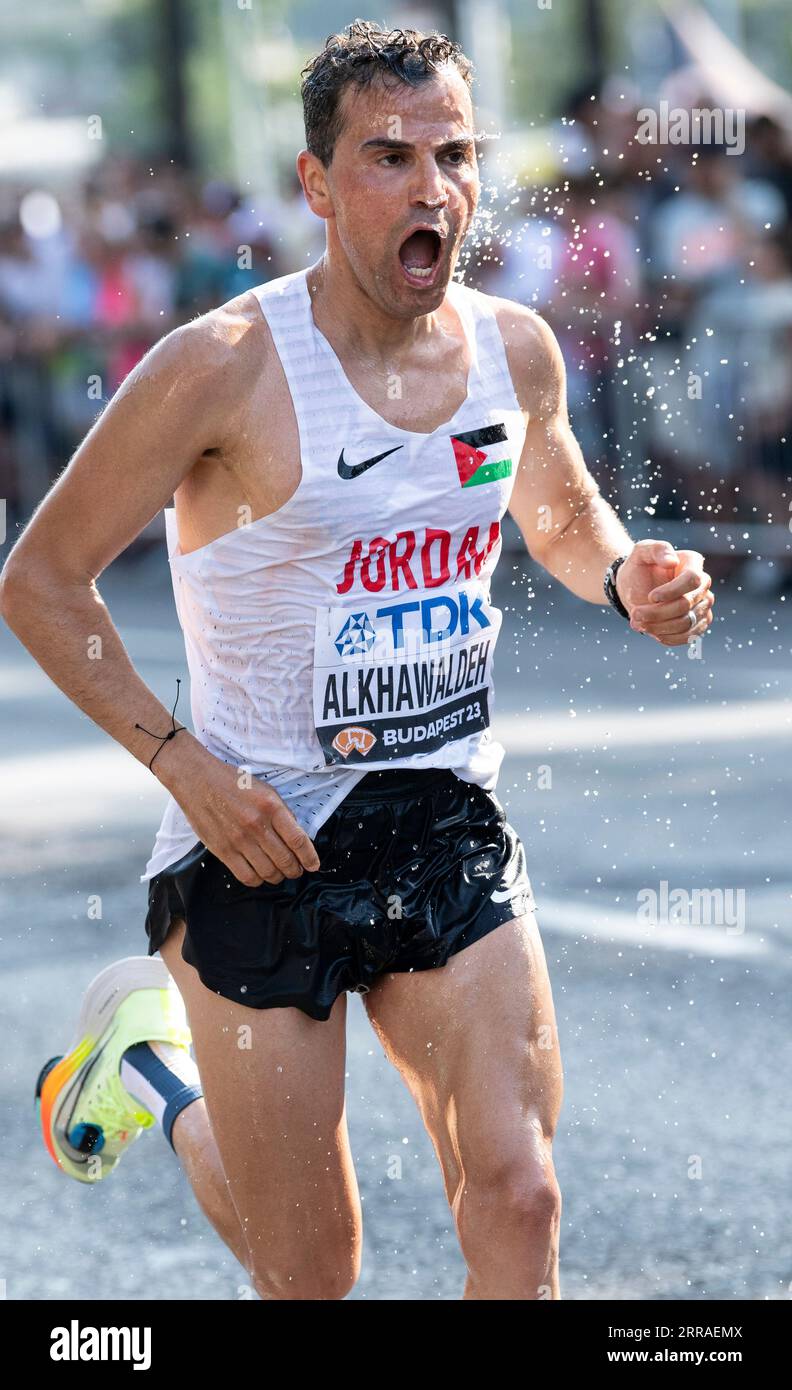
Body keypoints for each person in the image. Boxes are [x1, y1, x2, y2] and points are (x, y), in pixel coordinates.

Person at [0, 20, 714, 1301]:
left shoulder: (516, 351)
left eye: (454, 155)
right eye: (388, 156)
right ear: (318, 184)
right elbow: (39, 583)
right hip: (255, 833)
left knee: (521, 1189)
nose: (432, 186)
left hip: (441, 809)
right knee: (315, 1276)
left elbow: (551, 509)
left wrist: (625, 575)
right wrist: (188, 770)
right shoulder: (217, 368)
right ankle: (153, 1076)